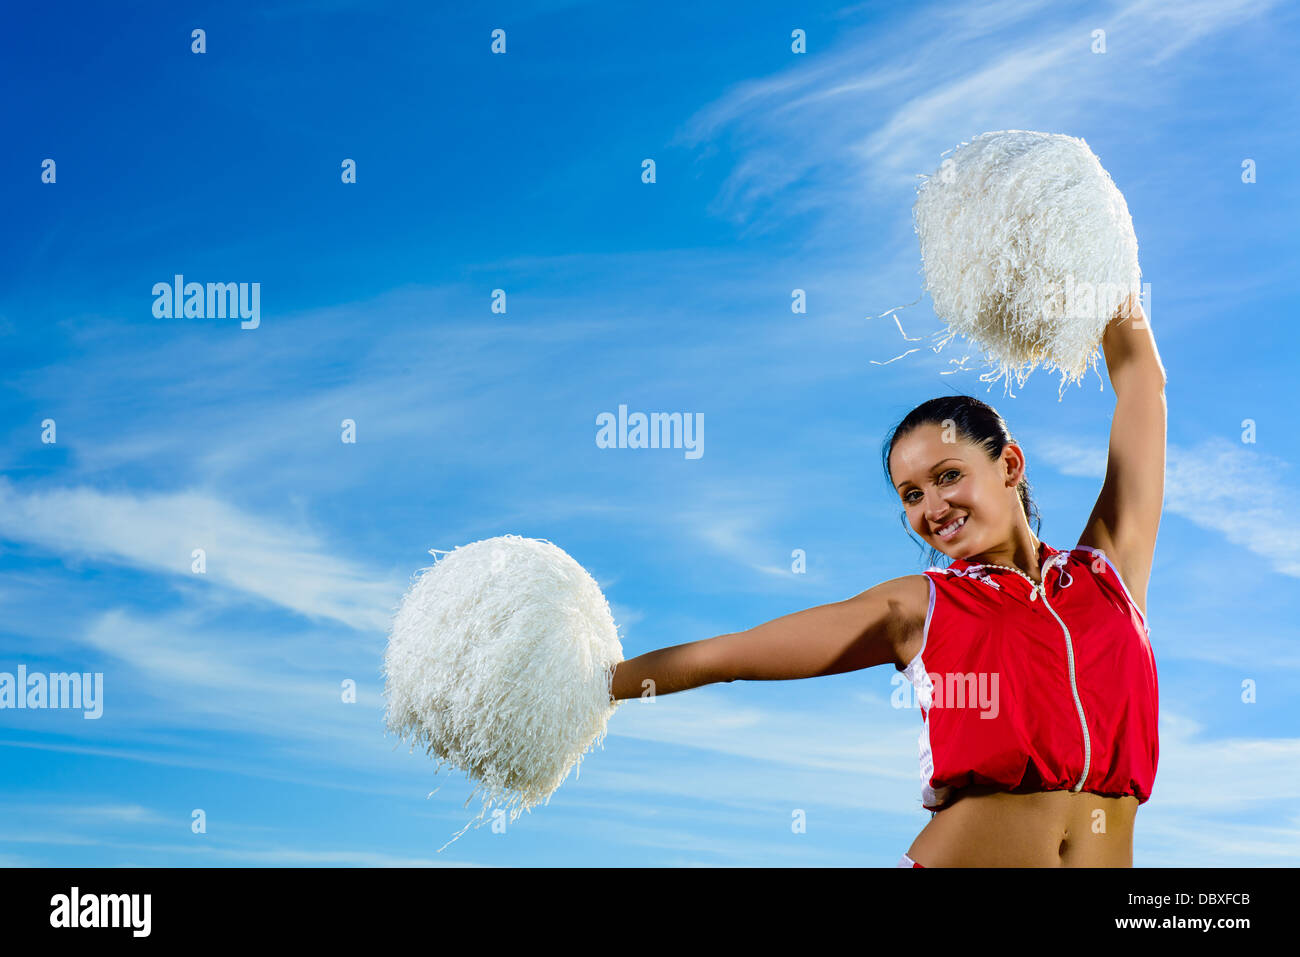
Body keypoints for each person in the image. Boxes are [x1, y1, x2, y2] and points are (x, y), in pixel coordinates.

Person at [607, 296, 1166, 867]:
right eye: (912, 495)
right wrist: (596, 685)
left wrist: (1103, 271)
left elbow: (1142, 386)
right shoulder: (918, 607)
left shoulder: (1107, 572)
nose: (934, 507)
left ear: (1010, 465)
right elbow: (726, 656)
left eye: (948, 476)